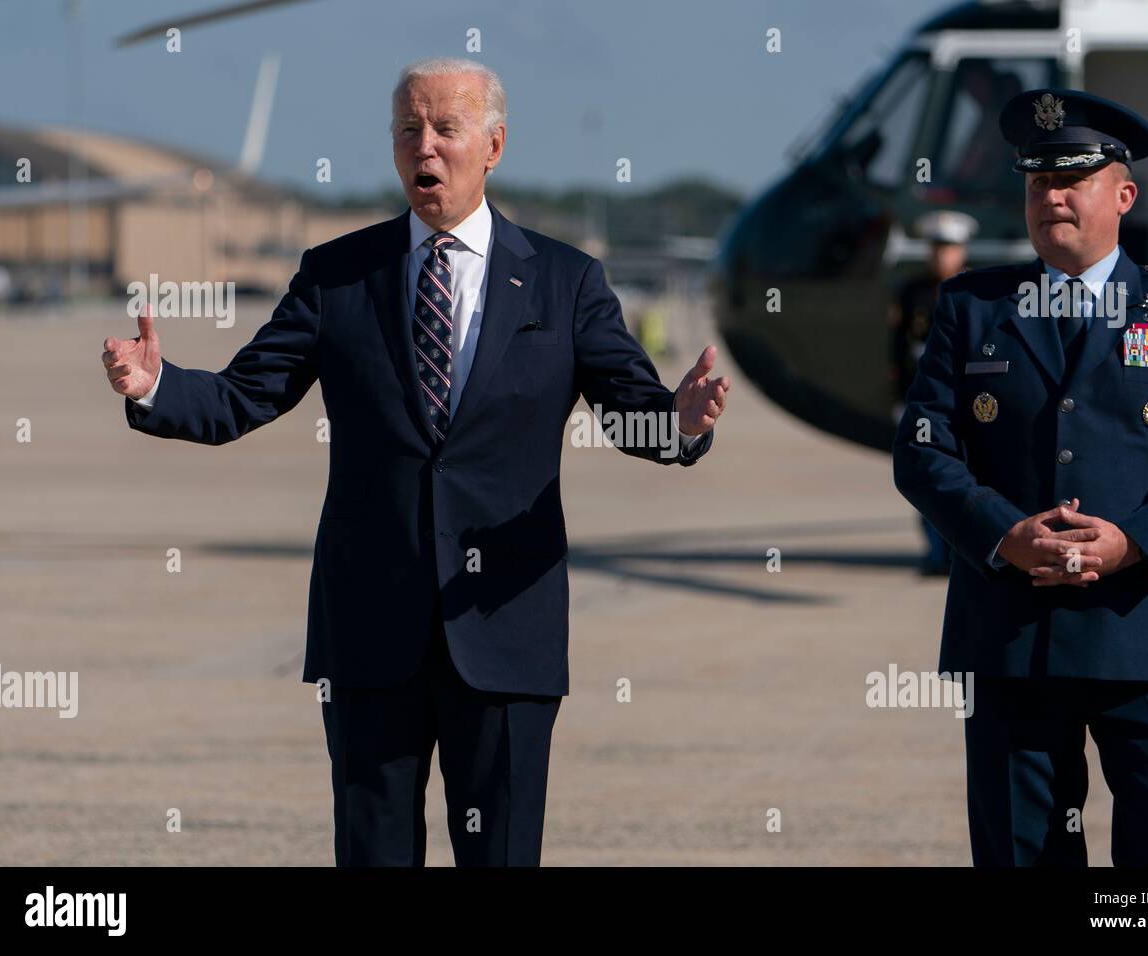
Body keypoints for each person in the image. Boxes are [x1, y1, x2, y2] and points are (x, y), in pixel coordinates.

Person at [100, 57, 730, 866]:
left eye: (445, 129)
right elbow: (242, 398)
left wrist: (677, 424)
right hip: (368, 634)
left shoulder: (566, 283)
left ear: (493, 145)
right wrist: (157, 386)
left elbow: (630, 415)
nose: (423, 148)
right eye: (407, 130)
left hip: (505, 632)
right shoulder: (337, 277)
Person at [892, 88, 1148, 865]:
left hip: (1145, 633)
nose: (1051, 196)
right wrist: (1005, 534)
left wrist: (1135, 542)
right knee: (1021, 854)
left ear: (1123, 195)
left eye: (1073, 180)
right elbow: (924, 450)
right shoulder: (971, 308)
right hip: (1012, 636)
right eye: (1037, 181)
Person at [891, 210, 977, 575]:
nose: (942, 256)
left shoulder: (978, 291)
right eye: (937, 248)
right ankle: (935, 552)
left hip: (966, 401)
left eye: (950, 248)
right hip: (922, 398)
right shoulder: (913, 292)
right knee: (926, 473)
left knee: (966, 475)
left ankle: (963, 550)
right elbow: (896, 346)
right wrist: (899, 395)